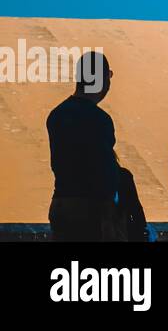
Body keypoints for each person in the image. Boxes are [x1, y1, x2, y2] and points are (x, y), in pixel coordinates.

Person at [46, 51, 123, 241]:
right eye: (108, 76)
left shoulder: (56, 115)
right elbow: (103, 172)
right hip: (88, 211)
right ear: (100, 79)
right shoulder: (100, 120)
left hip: (60, 205)